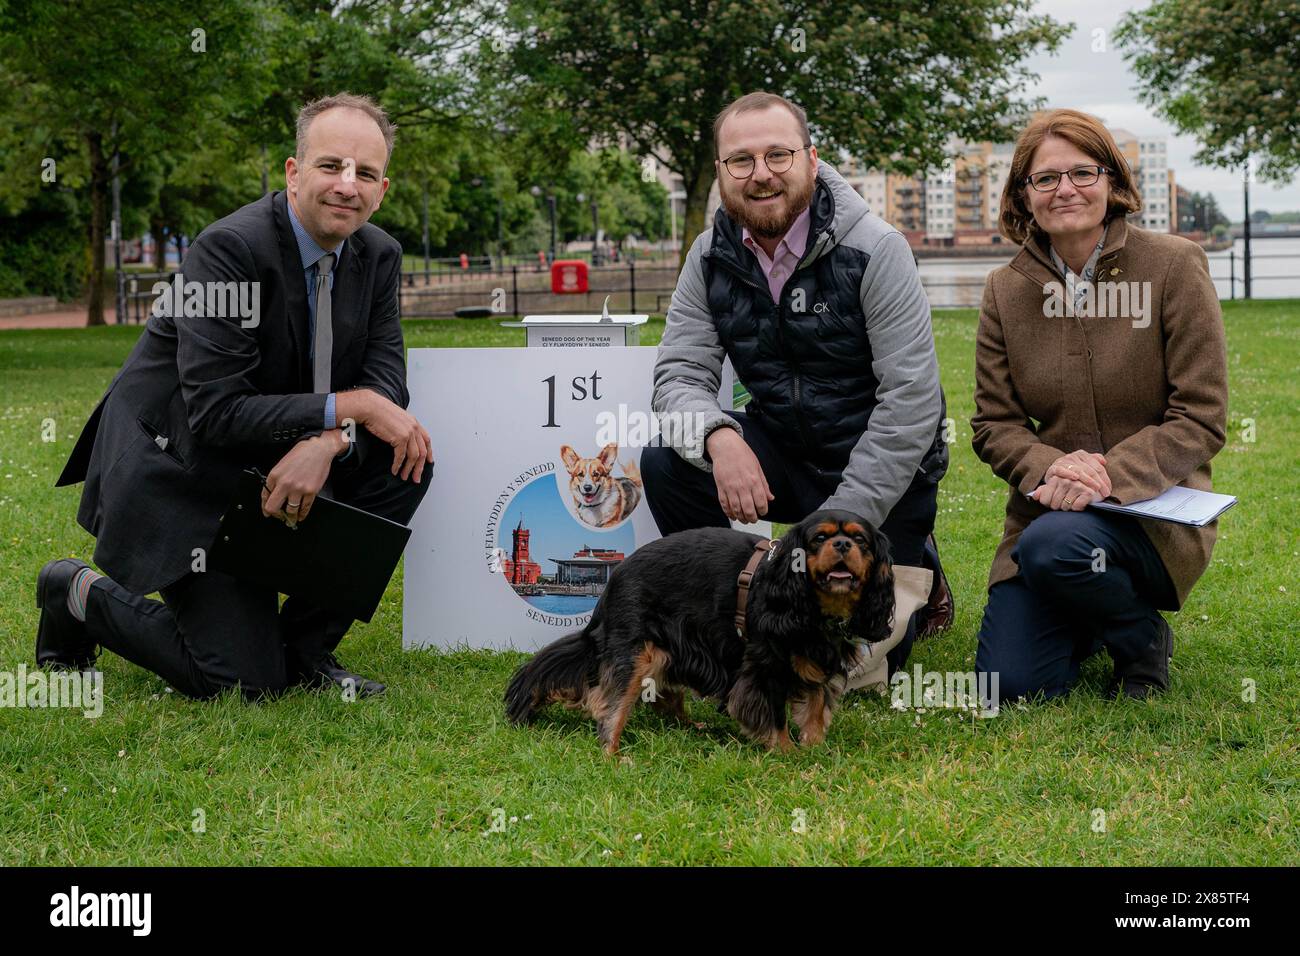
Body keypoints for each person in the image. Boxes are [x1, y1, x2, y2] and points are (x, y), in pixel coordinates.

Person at [36, 93, 433, 700]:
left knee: (405, 460)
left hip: (270, 459)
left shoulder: (379, 254)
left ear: (383, 190)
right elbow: (217, 412)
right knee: (242, 683)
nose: (347, 186)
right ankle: (75, 591)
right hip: (189, 469)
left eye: (366, 173)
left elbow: (385, 379)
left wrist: (330, 438)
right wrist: (350, 410)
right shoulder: (226, 251)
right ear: (294, 173)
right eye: (330, 166)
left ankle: (304, 652)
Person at [641, 91, 953, 674]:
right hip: (784, 452)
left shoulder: (877, 249)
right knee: (667, 461)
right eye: (741, 161)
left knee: (856, 671)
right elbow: (679, 374)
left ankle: (915, 560)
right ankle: (720, 612)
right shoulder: (708, 257)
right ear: (720, 174)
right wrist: (719, 437)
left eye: (778, 156)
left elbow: (910, 404)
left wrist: (823, 536)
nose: (761, 175)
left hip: (882, 475)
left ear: (811, 159)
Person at [971, 108, 1228, 702]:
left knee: (1056, 546)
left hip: (1152, 515)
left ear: (1111, 182)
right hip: (1047, 515)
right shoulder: (1004, 290)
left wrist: (1106, 476)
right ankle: (1087, 612)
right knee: (1008, 687)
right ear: (1023, 195)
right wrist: (1052, 469)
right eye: (1045, 178)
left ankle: (1141, 638)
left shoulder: (1173, 266)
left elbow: (1202, 413)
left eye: (1083, 173)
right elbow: (994, 424)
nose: (1065, 189)